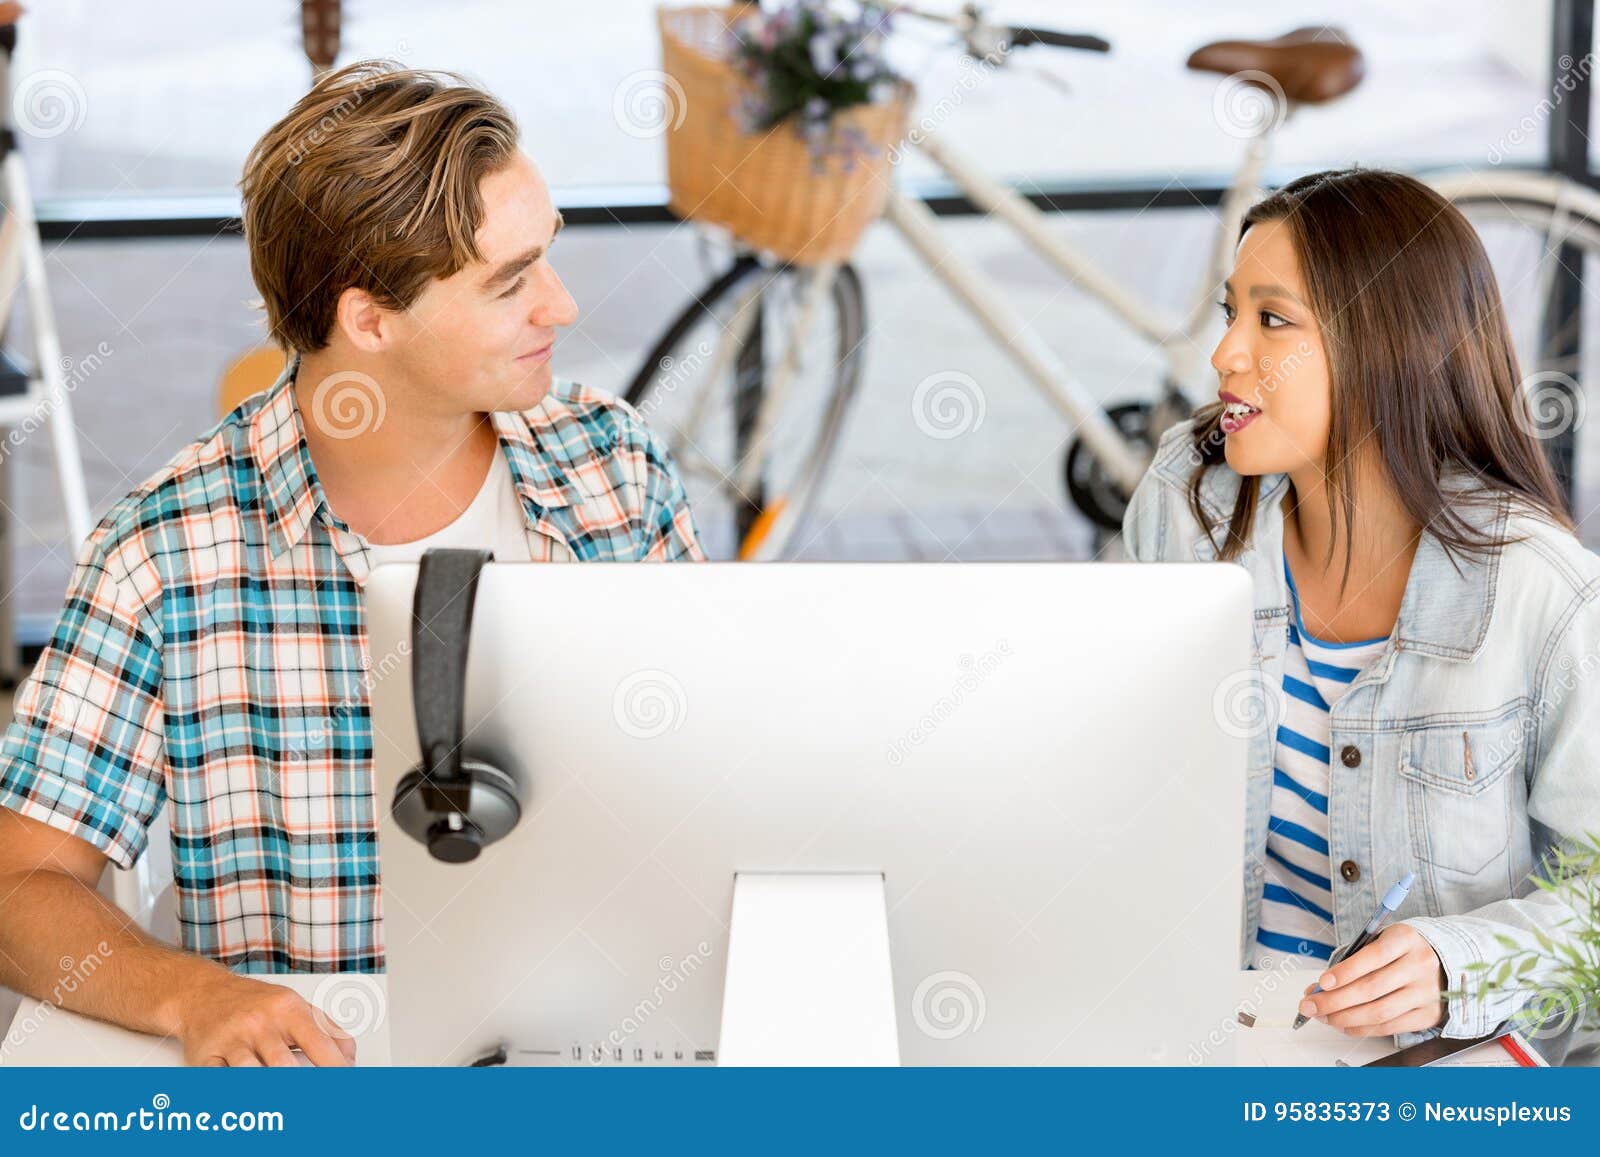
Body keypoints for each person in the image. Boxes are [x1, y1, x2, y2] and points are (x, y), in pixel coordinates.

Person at [0, 60, 702, 1066]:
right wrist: (191, 996)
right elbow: (18, 882)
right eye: (510, 282)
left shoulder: (615, 472)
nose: (563, 306)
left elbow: (713, 781)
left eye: (545, 258)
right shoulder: (160, 556)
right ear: (367, 319)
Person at [1123, 168, 1599, 1061]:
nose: (1225, 353)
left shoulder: (1539, 586)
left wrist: (1458, 964)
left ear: (1392, 345)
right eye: (1232, 313)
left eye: (1272, 320)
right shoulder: (1185, 504)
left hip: (1432, 1073)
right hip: (1207, 1040)